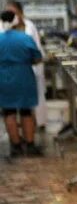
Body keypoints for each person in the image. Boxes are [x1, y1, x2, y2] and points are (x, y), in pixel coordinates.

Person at [0, 10, 43, 156]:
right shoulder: (25, 38)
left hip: (3, 78)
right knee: (26, 111)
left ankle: (16, 146)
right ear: (15, 21)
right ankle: (30, 145)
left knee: (9, 111)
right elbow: (37, 58)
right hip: (23, 76)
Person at [6, 1, 47, 129]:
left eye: (13, 13)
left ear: (20, 13)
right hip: (12, 75)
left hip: (26, 73)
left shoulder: (29, 27)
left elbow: (36, 51)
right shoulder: (7, 32)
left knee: (22, 110)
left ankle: (19, 143)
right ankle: (25, 143)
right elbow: (36, 55)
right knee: (19, 110)